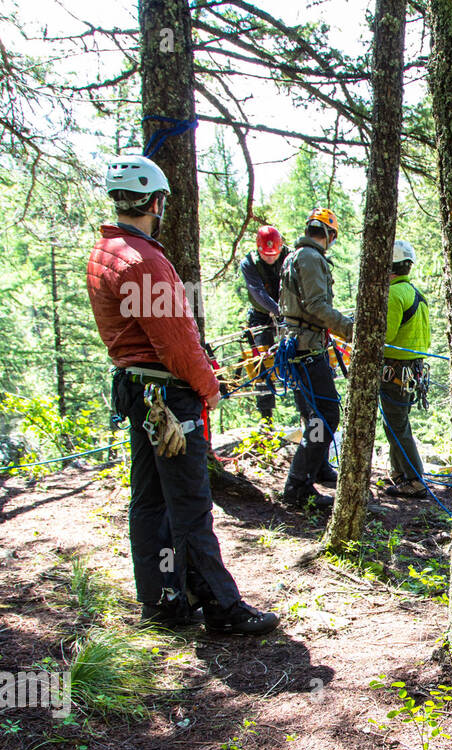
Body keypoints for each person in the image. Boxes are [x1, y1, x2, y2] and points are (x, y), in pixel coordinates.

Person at [87, 154, 279, 637]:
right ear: (154, 201)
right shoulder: (143, 260)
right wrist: (208, 386)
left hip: (137, 388)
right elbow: (174, 341)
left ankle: (163, 600)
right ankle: (220, 606)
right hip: (167, 397)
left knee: (151, 499)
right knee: (190, 503)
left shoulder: (106, 252)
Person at [278, 208, 353, 511]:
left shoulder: (295, 256)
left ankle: (319, 468)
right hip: (307, 349)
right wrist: (350, 328)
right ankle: (297, 486)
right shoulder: (309, 258)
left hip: (302, 345)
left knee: (314, 414)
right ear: (329, 235)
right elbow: (317, 305)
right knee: (325, 416)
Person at [380, 239, 431, 499]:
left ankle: (414, 479)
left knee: (397, 426)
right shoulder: (415, 293)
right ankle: (401, 474)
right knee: (395, 424)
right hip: (411, 372)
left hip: (395, 371)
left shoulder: (394, 295)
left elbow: (385, 336)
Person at [239, 225, 288, 424]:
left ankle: (306, 411)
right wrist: (277, 311)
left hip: (288, 310)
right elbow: (257, 291)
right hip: (262, 312)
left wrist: (287, 312)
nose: (270, 258)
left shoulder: (289, 257)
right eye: (266, 255)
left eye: (273, 254)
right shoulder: (249, 263)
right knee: (261, 360)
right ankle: (266, 417)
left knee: (297, 355)